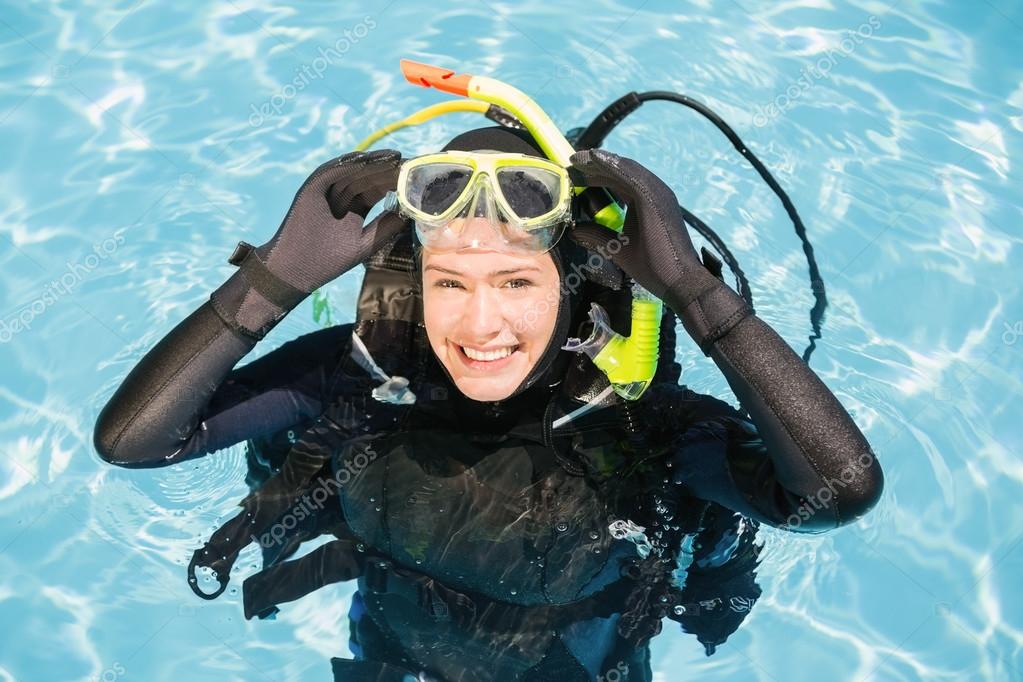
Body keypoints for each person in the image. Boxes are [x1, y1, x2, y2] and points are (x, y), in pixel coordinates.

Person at [93, 125, 883, 682]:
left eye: (516, 282)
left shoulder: (645, 428)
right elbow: (136, 441)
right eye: (449, 283)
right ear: (413, 282)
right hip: (390, 655)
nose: (478, 325)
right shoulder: (356, 381)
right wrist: (273, 279)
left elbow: (834, 492)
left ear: (573, 292)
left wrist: (691, 290)